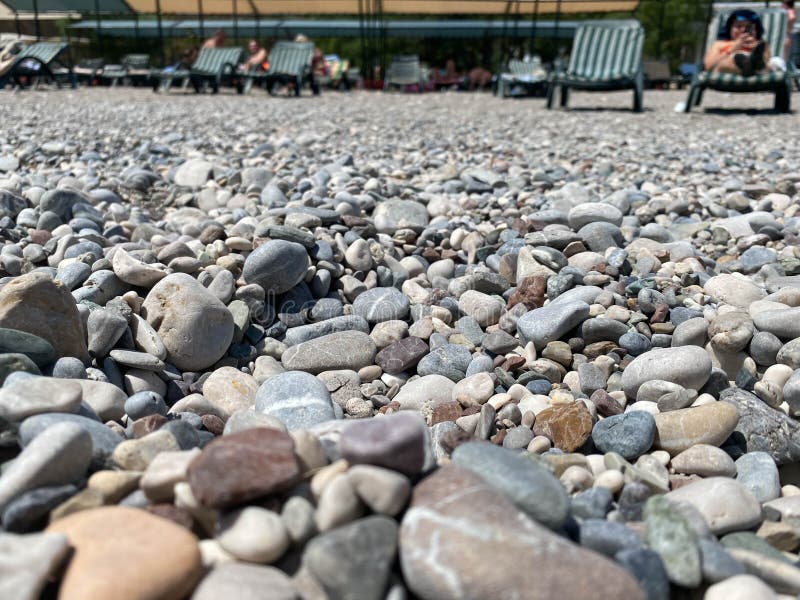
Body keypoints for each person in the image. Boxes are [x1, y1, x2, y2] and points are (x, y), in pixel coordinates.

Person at [704, 9, 770, 75]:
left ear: (756, 31)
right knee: (723, 64)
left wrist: (755, 49)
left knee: (775, 62)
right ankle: (748, 67)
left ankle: (750, 65)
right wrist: (733, 48)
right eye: (739, 26)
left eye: (749, 27)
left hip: (758, 68)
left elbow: (767, 61)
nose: (743, 30)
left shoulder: (760, 44)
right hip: (732, 67)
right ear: (730, 28)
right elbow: (708, 66)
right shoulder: (719, 44)